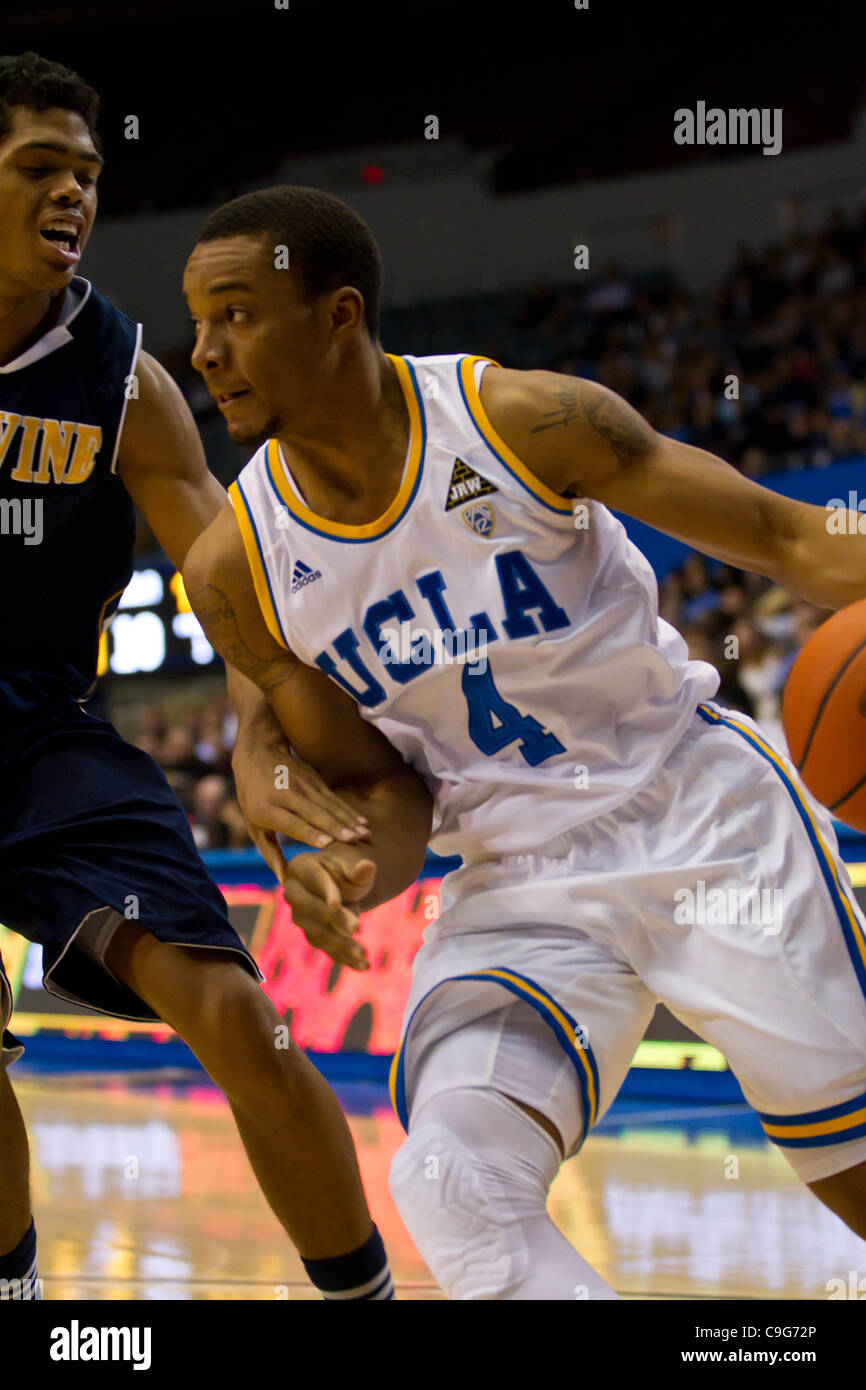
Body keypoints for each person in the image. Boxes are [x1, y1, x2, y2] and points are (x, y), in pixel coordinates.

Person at [181, 183, 866, 1300]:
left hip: (697, 813)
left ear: (337, 314)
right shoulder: (232, 568)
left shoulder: (519, 419)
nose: (205, 351)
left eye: (237, 314)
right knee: (451, 1180)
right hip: (515, 881)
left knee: (853, 1166)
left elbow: (786, 535)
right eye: (197, 320)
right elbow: (380, 787)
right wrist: (350, 865)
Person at [0, 54, 416, 1302]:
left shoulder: (124, 377)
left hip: (42, 738)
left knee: (238, 1014)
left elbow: (237, 599)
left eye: (87, 173)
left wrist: (264, 753)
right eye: (38, 168)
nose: (72, 193)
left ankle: (362, 1296)